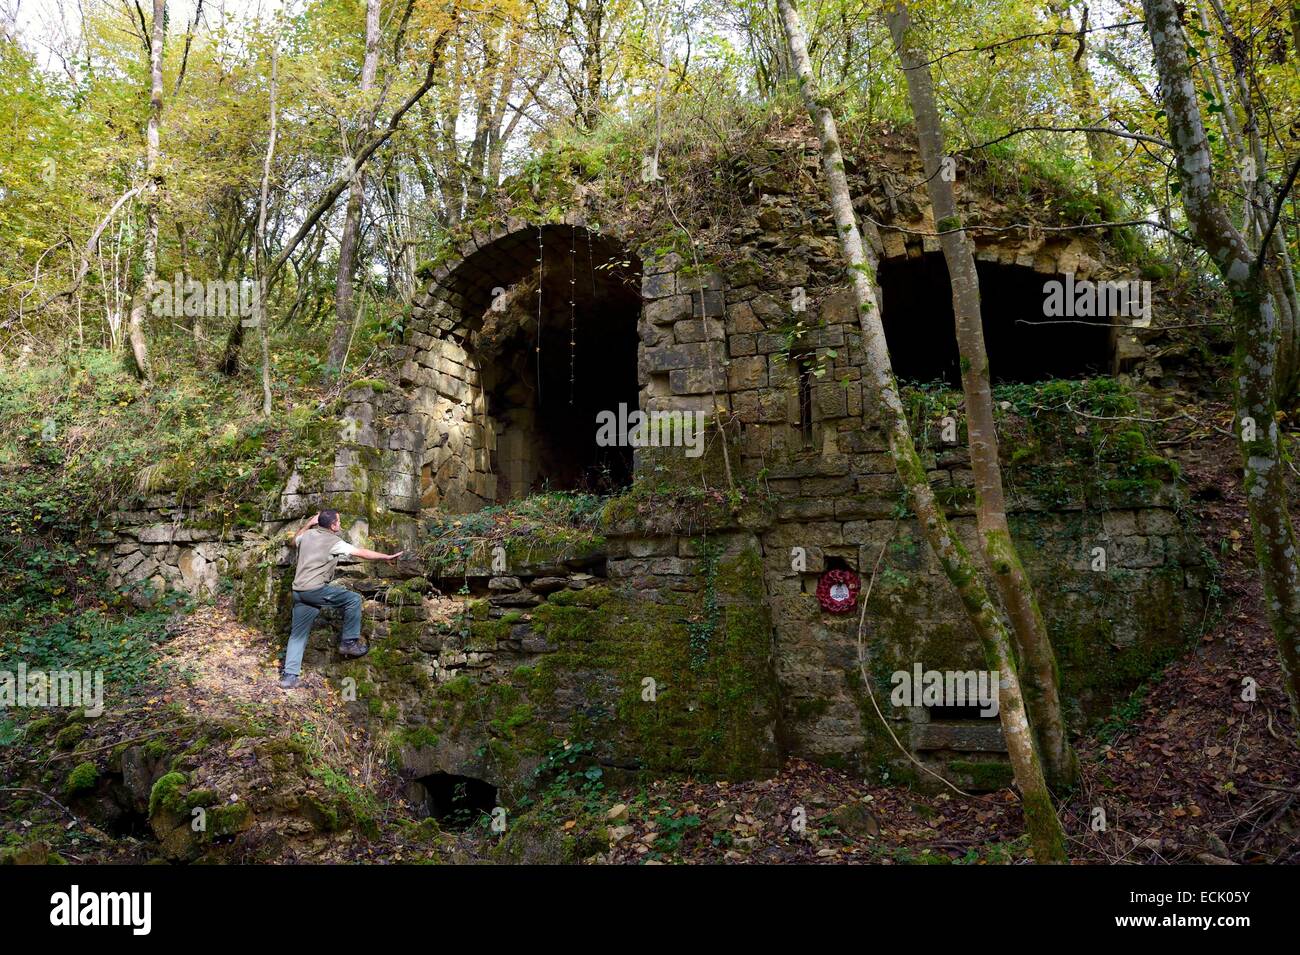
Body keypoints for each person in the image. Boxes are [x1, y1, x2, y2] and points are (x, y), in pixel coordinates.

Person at [278, 509, 404, 689]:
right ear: (333, 525)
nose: (341, 524)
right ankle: (349, 642)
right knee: (352, 599)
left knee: (297, 635)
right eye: (339, 521)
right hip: (314, 590)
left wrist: (308, 524)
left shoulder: (307, 535)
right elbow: (361, 552)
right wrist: (386, 557)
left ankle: (290, 677)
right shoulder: (333, 542)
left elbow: (293, 540)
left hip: (299, 591)